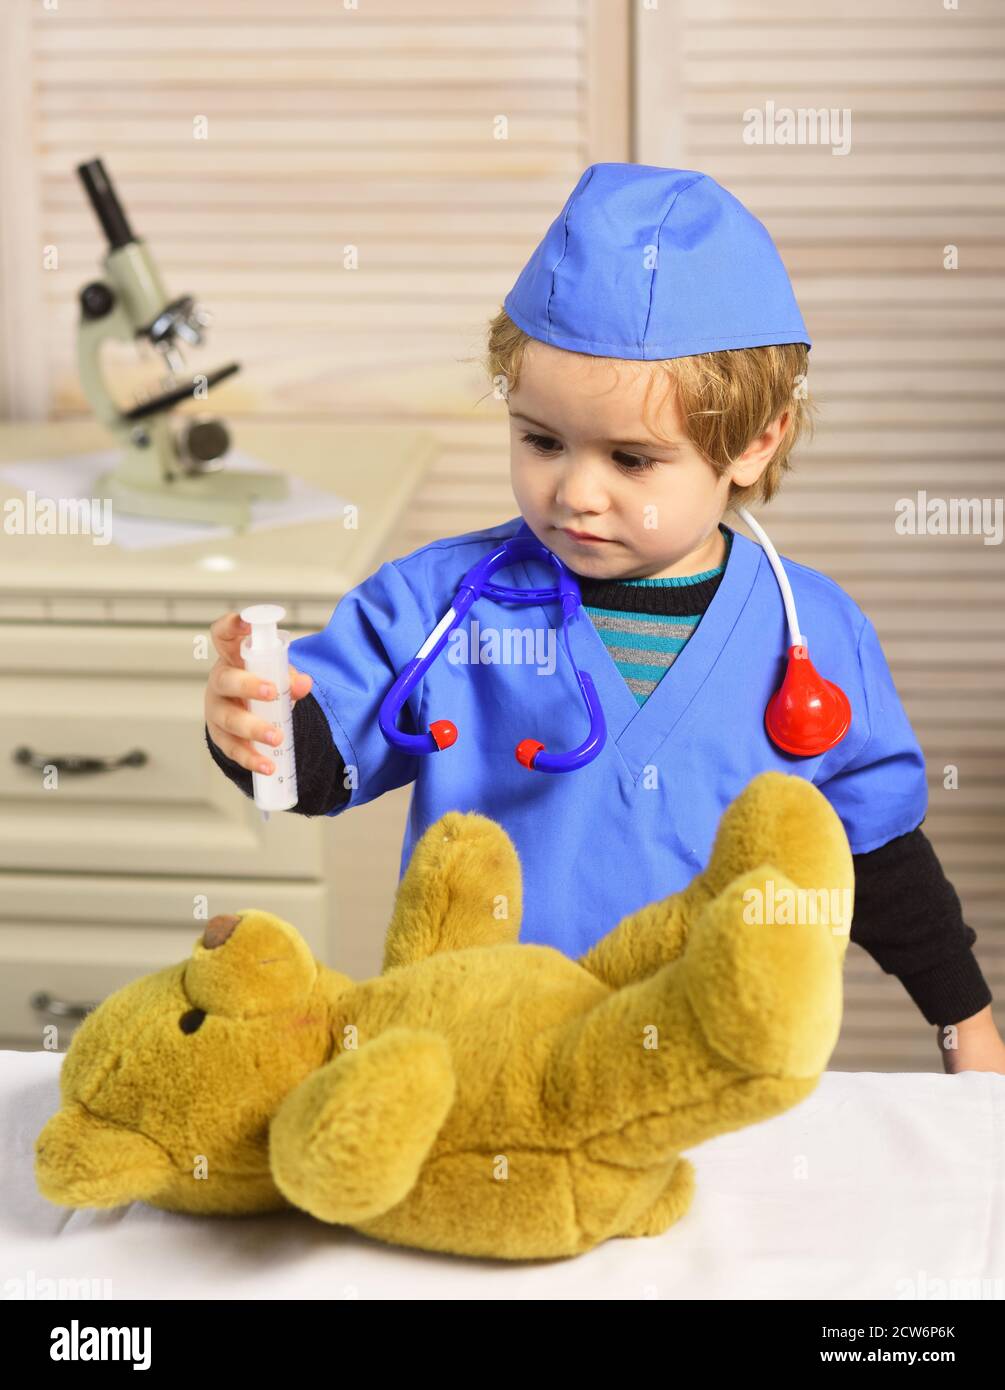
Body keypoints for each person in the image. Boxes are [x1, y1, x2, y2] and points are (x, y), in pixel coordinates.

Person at [204, 163, 1003, 1073]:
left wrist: (964, 1023)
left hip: (711, 1085)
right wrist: (255, 722)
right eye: (540, 440)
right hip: (485, 1073)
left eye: (630, 459)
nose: (573, 493)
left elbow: (878, 852)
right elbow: (315, 768)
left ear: (754, 441)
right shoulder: (435, 607)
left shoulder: (811, 635)